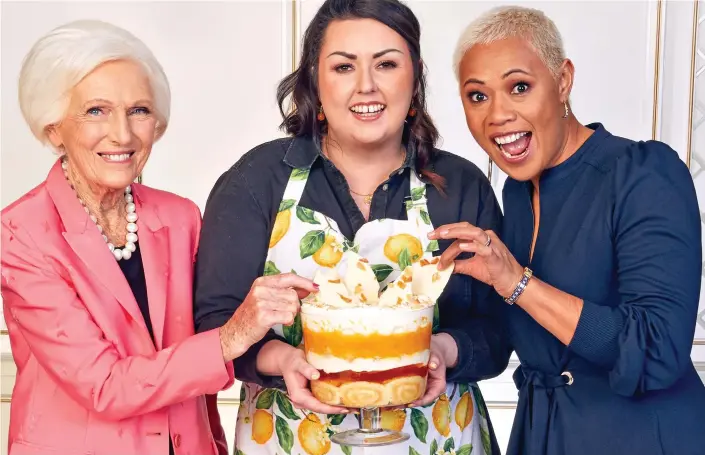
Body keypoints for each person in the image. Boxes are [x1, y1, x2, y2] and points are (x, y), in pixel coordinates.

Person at [192, 0, 511, 454]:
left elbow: (499, 329)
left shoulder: (461, 186)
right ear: (315, 81)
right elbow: (216, 326)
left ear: (414, 76)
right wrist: (284, 359)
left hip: (443, 440)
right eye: (344, 67)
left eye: (386, 64)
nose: (367, 86)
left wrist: (440, 350)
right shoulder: (256, 181)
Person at [0, 20, 310, 455]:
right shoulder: (20, 233)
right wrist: (229, 338)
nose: (122, 134)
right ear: (53, 127)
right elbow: (103, 385)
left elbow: (200, 376)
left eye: (139, 111)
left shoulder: (181, 217)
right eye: (96, 111)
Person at [432, 5, 705, 455]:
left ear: (562, 81)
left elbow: (657, 350)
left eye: (519, 87)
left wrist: (516, 282)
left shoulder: (642, 173)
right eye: (477, 96)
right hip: (545, 434)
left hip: (640, 437)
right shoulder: (517, 195)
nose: (497, 114)